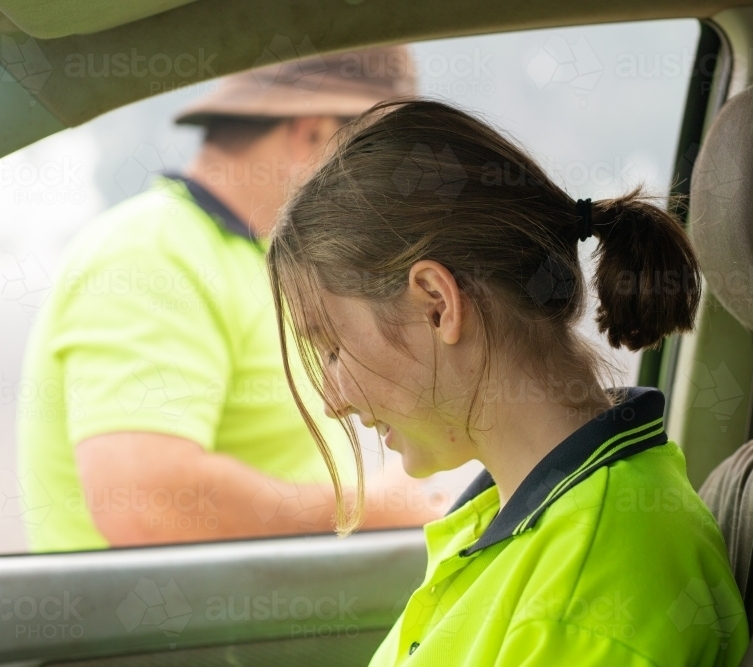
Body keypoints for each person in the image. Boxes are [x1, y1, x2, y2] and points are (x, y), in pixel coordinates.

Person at [268, 100, 749, 665]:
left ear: (437, 305)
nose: (331, 401)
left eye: (331, 348)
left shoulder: (585, 587)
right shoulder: (520, 519)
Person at [17, 47, 438, 553]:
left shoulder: (265, 262)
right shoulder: (152, 253)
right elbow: (145, 504)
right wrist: (370, 512)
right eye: (376, 161)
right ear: (311, 136)